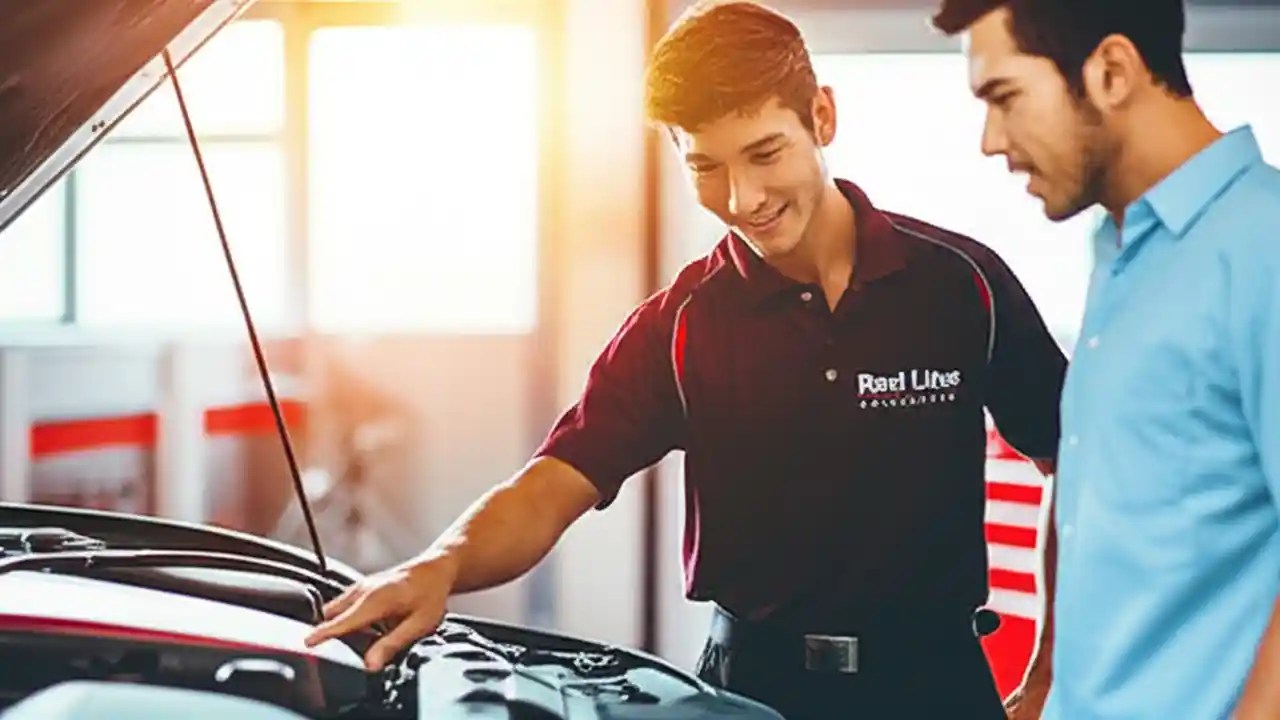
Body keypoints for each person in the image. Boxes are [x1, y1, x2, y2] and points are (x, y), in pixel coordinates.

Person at [305, 2, 1066, 716]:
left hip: (937, 688)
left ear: (822, 117)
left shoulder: (961, 287)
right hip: (753, 690)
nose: (742, 199)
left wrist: (1053, 665)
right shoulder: (681, 327)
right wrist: (438, 564)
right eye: (705, 167)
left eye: (765, 153)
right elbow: (548, 488)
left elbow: (1077, 461)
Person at [932, 1, 1280, 718]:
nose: (990, 141)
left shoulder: (1263, 245)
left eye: (1004, 98)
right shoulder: (1119, 250)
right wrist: (1050, 677)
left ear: (1112, 71)